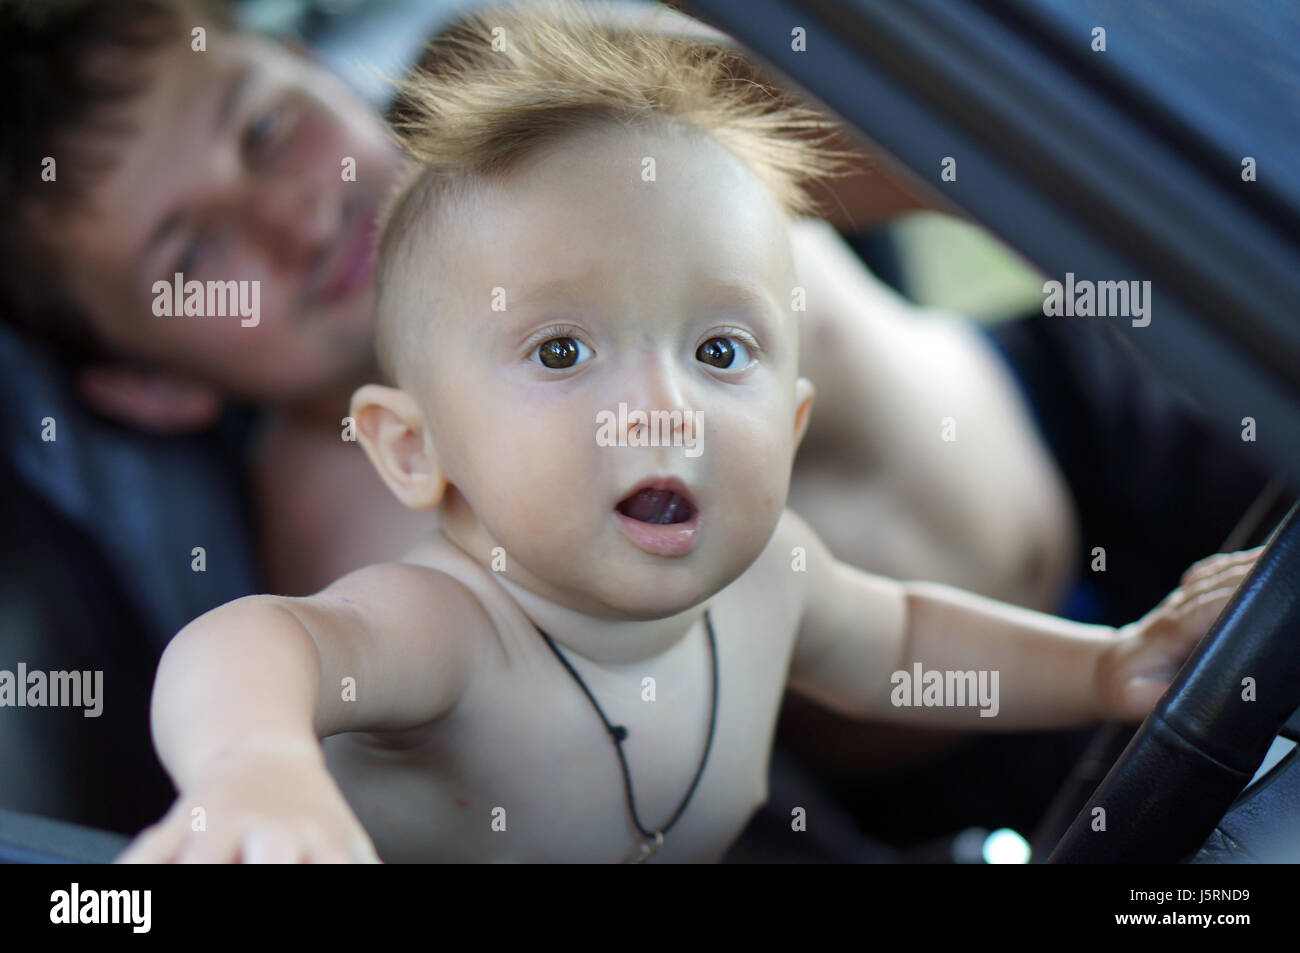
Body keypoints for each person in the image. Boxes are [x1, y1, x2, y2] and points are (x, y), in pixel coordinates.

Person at [115, 5, 1260, 863]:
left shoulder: (769, 572)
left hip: (1088, 432)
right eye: (561, 354)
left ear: (788, 416)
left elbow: (904, 646)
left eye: (720, 355)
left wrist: (1111, 666)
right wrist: (256, 767)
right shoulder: (454, 623)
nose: (661, 408)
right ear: (414, 451)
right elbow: (256, 645)